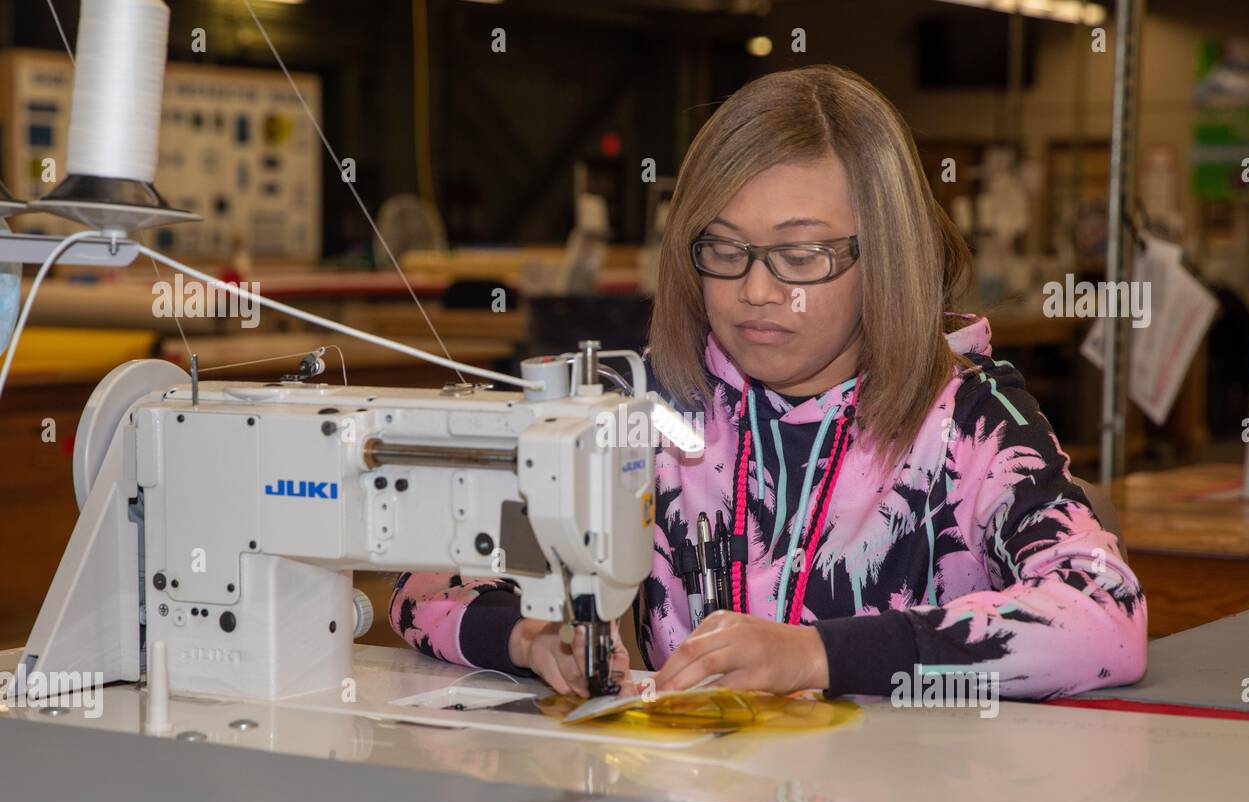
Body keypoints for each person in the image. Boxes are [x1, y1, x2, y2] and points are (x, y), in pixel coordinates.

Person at [388, 64, 1147, 701]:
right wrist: (529, 638)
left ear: (885, 254)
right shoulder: (649, 409)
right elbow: (421, 588)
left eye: (802, 254)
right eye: (723, 248)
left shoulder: (972, 417)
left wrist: (816, 655)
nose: (755, 289)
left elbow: (1105, 616)